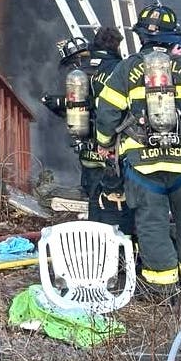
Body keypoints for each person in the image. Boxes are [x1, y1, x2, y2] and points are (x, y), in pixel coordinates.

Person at [96, 1, 181, 300]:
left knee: (152, 223)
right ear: (173, 37)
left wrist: (104, 144)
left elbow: (107, 114)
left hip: (144, 165)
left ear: (141, 36)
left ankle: (162, 286)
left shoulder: (126, 68)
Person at [42, 28, 133, 235]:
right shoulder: (121, 69)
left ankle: (96, 244)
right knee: (121, 199)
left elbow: (71, 106)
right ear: (117, 45)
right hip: (115, 147)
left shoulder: (79, 71)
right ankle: (123, 244)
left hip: (87, 147)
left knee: (94, 197)